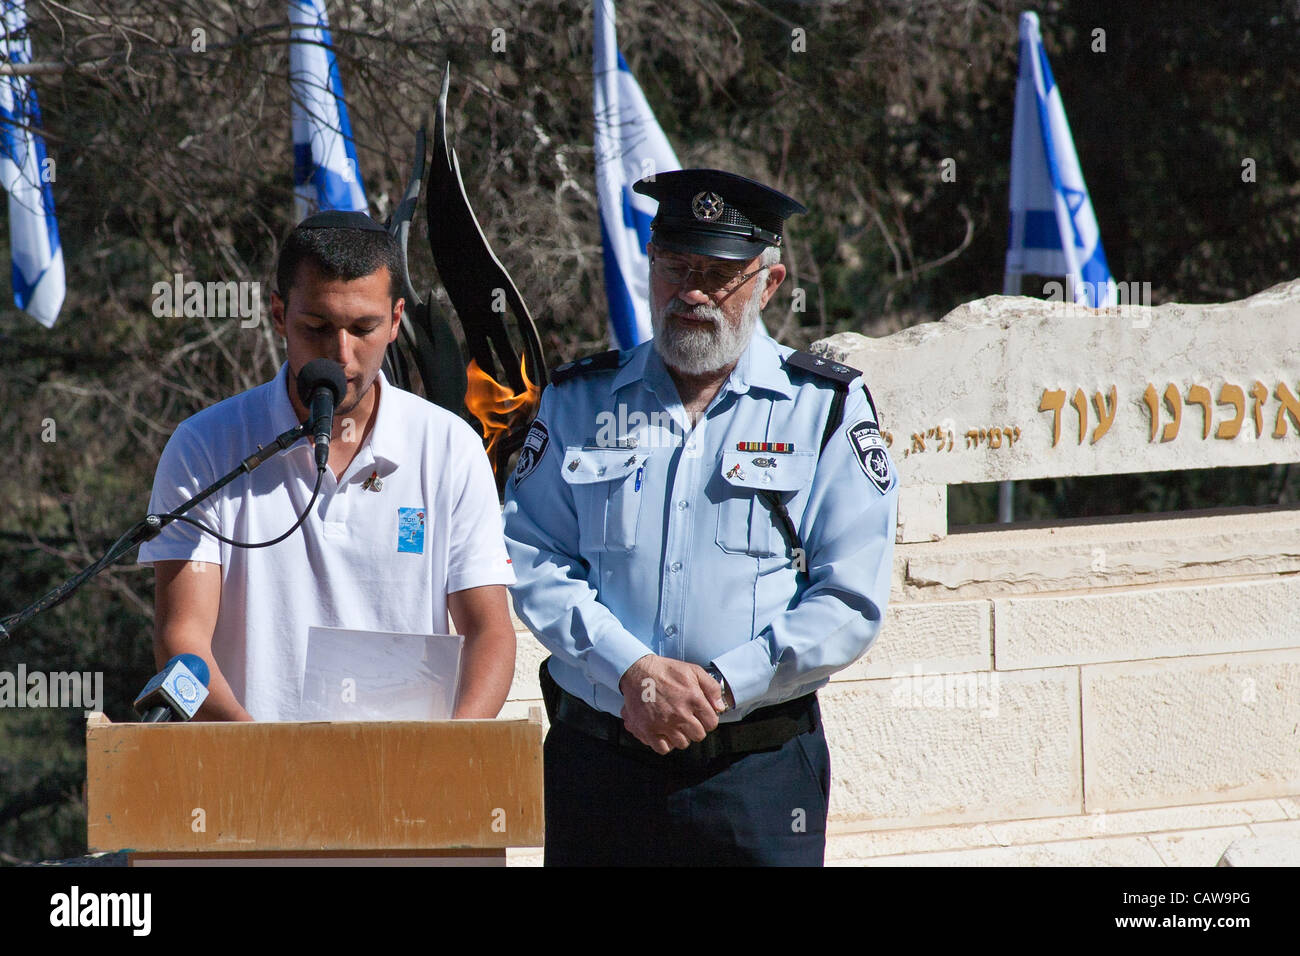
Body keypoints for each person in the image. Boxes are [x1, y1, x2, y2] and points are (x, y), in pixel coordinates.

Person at [503, 169, 899, 865]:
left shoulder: (824, 408)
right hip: (600, 767)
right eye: (674, 265)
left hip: (756, 775)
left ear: (769, 285)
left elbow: (849, 596)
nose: (690, 292)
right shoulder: (578, 401)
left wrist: (718, 686)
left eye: (718, 275)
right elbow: (531, 557)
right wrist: (632, 672)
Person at [139, 210, 516, 721]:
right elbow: (181, 636)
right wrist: (265, 762)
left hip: (405, 784)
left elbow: (488, 632)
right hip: (252, 780)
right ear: (278, 315)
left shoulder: (450, 447)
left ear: (397, 320)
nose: (342, 354)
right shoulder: (205, 446)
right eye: (317, 327)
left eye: (364, 328)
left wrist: (447, 760)